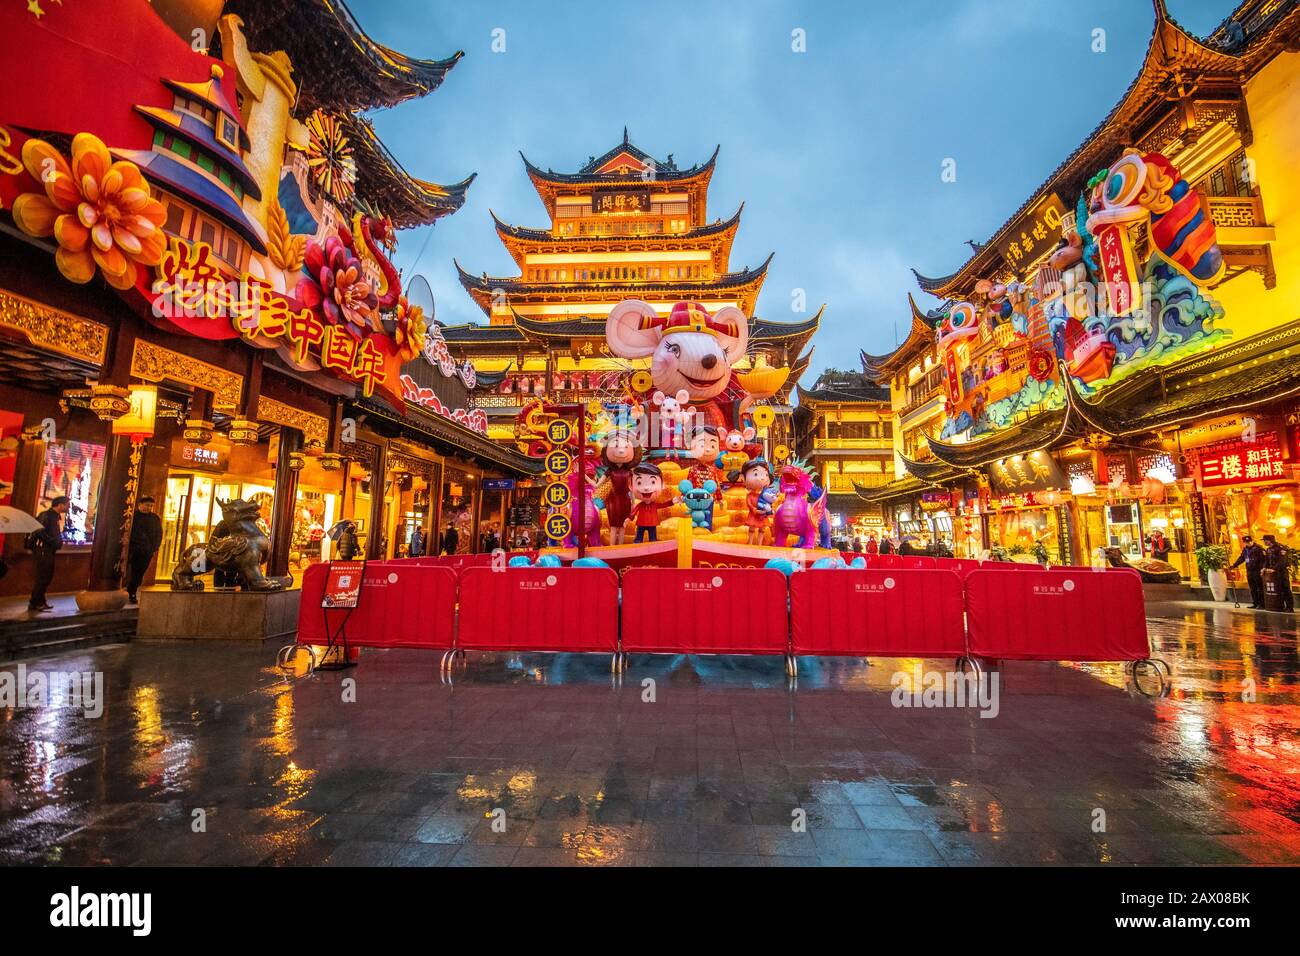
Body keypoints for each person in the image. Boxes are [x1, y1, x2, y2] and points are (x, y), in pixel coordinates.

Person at [27, 495, 68, 611]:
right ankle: (36, 602)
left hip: (48, 550)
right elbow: (39, 530)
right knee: (43, 576)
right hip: (43, 550)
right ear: (60, 505)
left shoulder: (54, 516)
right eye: (67, 505)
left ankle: (38, 601)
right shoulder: (47, 515)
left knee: (46, 575)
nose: (68, 507)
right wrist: (52, 541)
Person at [125, 495, 163, 604]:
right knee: (129, 571)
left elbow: (159, 534)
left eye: (151, 506)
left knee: (139, 573)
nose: (149, 508)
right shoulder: (133, 516)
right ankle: (128, 591)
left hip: (147, 551)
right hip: (133, 549)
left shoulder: (155, 518)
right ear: (140, 505)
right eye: (147, 505)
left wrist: (154, 547)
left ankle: (132, 591)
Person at [1229, 534, 1266, 609]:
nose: (1248, 543)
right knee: (1252, 588)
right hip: (1249, 571)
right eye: (1246, 542)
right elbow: (1241, 558)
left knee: (1259, 588)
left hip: (1257, 571)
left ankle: (1262, 604)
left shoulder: (1259, 548)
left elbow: (1264, 560)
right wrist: (1234, 565)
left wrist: (1263, 568)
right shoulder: (1245, 549)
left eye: (1249, 542)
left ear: (1252, 541)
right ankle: (1255, 603)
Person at [1263, 534, 1294, 612]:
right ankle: (1279, 606)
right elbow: (1267, 560)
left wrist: (1274, 569)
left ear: (1269, 541)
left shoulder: (1280, 548)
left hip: (1281, 572)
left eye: (1265, 540)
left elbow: (1282, 561)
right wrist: (1264, 568)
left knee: (1285, 589)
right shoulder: (1268, 549)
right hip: (1273, 575)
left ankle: (1290, 607)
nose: (1264, 542)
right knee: (1278, 590)